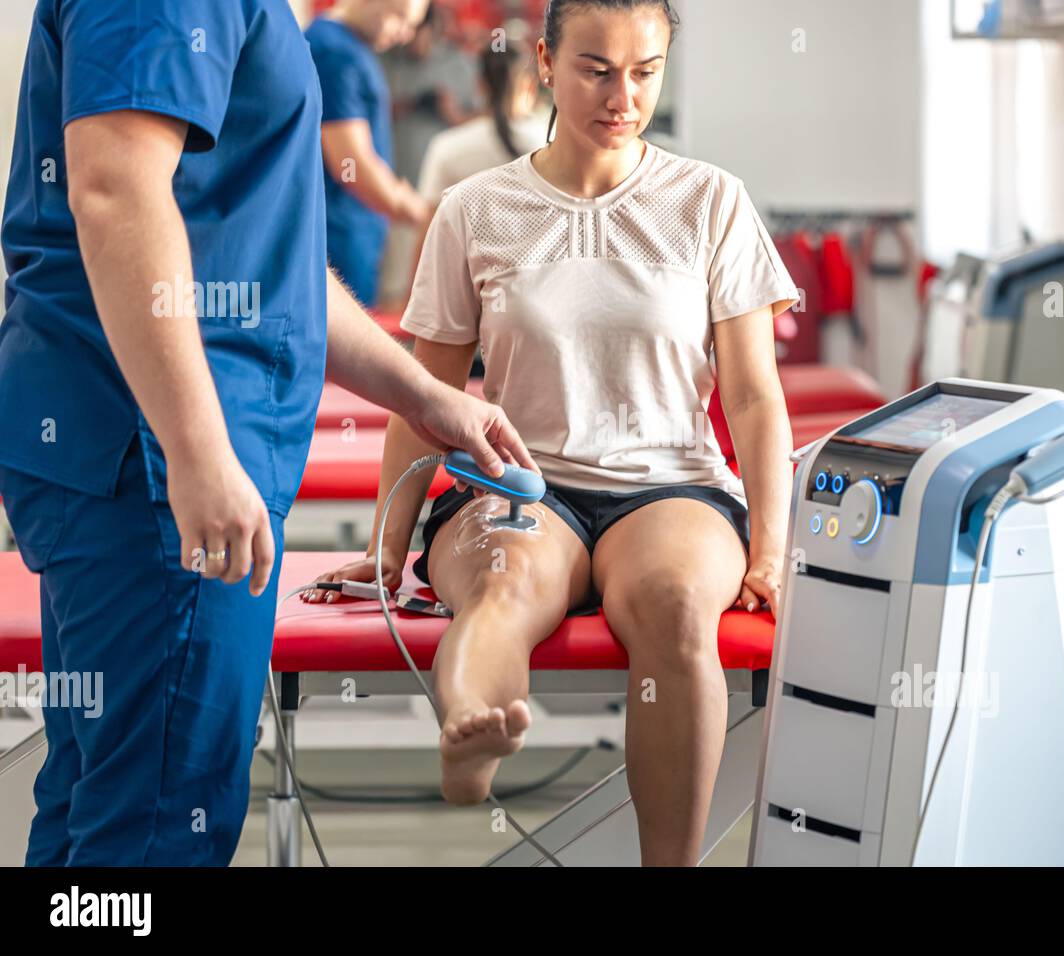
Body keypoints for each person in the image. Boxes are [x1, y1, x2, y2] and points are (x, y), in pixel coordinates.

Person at [0, 0, 534, 867]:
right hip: (149, 458)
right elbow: (114, 189)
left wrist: (423, 395)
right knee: (154, 821)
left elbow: (264, 262)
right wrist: (197, 452)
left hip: (137, 447)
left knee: (100, 798)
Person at [307, 0, 799, 866]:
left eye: (646, 71)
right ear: (543, 61)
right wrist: (388, 549)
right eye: (597, 70)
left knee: (677, 610)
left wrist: (769, 546)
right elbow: (426, 394)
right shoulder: (475, 209)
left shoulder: (711, 201)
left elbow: (755, 398)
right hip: (516, 482)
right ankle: (472, 733)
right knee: (502, 590)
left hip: (672, 487)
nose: (624, 96)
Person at [307, 0, 434, 307]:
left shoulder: (347, 47)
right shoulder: (335, 53)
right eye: (400, 19)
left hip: (352, 234)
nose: (404, 35)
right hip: (338, 238)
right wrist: (421, 214)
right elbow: (351, 165)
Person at [409, 39, 549, 286]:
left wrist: (411, 294)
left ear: (480, 86)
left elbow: (428, 234)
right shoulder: (552, 143)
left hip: (462, 289)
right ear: (530, 85)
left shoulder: (447, 147)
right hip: (539, 287)